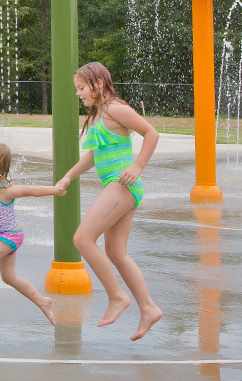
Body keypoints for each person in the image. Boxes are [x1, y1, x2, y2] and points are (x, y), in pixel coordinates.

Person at [54, 61, 163, 341]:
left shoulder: (115, 108)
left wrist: (137, 166)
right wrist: (68, 177)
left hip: (122, 183)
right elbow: (93, 156)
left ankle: (116, 297)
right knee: (115, 252)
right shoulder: (100, 114)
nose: (78, 94)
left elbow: (151, 133)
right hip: (118, 185)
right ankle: (149, 308)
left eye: (81, 88)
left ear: (98, 84)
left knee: (82, 239)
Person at [0, 141, 65, 324]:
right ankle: (43, 302)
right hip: (1, 235)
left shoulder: (5, 191)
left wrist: (55, 190)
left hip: (10, 236)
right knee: (9, 277)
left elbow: (32, 190)